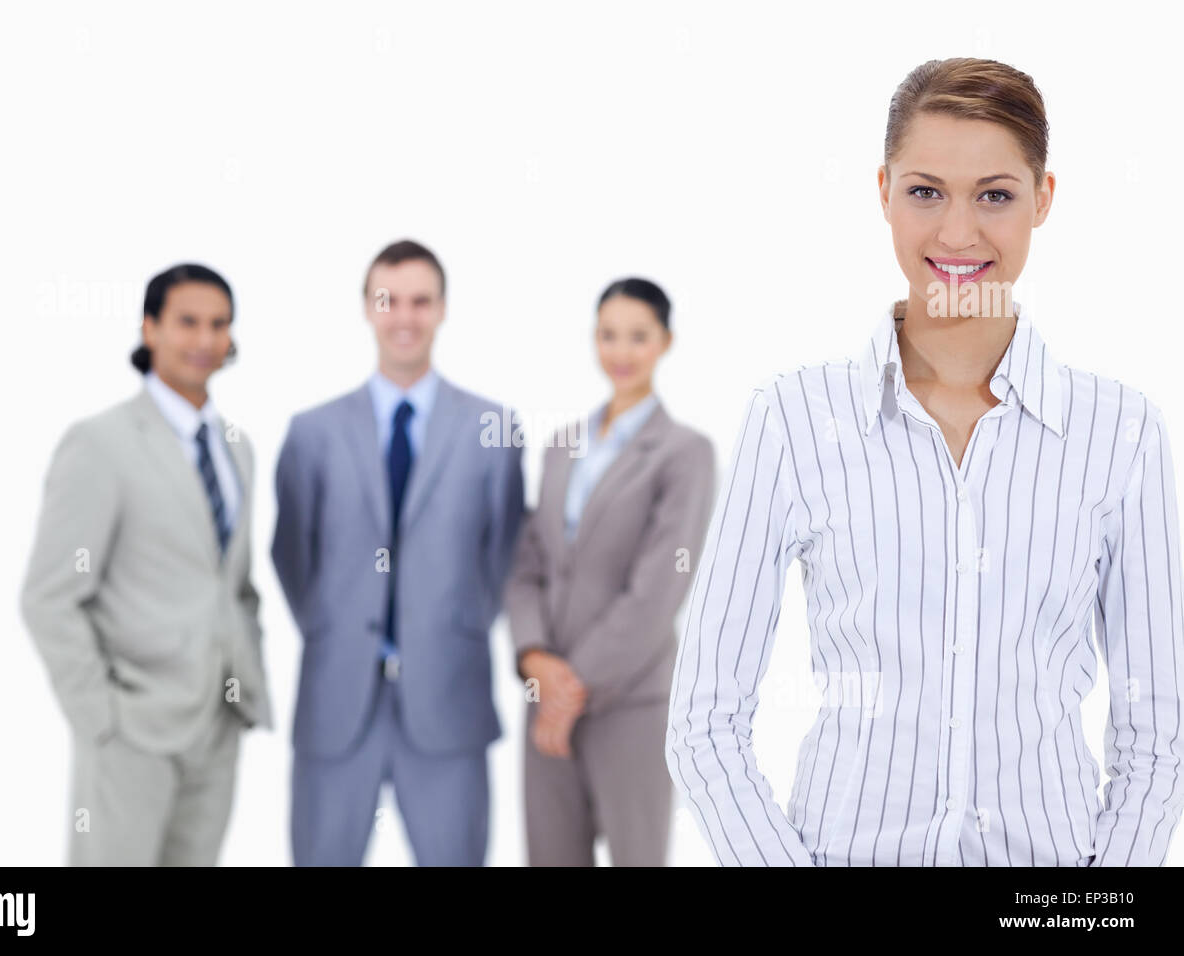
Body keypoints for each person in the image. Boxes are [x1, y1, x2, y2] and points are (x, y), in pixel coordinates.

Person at [668, 57, 1184, 867]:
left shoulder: (1121, 434)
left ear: (1042, 199)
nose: (956, 233)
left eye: (995, 194)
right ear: (883, 192)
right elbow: (704, 722)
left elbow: (1159, 736)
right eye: (925, 191)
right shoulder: (796, 420)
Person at [273, 239, 525, 866]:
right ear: (366, 307)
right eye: (389, 300)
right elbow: (291, 554)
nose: (404, 316)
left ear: (442, 309)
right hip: (338, 700)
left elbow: (504, 554)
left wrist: (450, 624)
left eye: (421, 300)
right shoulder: (313, 431)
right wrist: (332, 625)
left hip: (449, 696)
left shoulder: (493, 429)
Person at [20, 263, 273, 865]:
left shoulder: (237, 447)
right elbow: (48, 595)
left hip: (218, 720)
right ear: (150, 328)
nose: (204, 340)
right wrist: (100, 718)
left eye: (219, 324)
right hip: (132, 727)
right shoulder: (100, 443)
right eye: (187, 322)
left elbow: (233, 584)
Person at [505, 277, 716, 865]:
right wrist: (535, 658)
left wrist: (573, 686)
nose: (621, 352)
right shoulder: (560, 446)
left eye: (638, 337)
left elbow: (658, 588)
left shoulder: (683, 452)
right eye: (608, 335)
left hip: (629, 701)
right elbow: (527, 565)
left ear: (665, 342)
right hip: (544, 694)